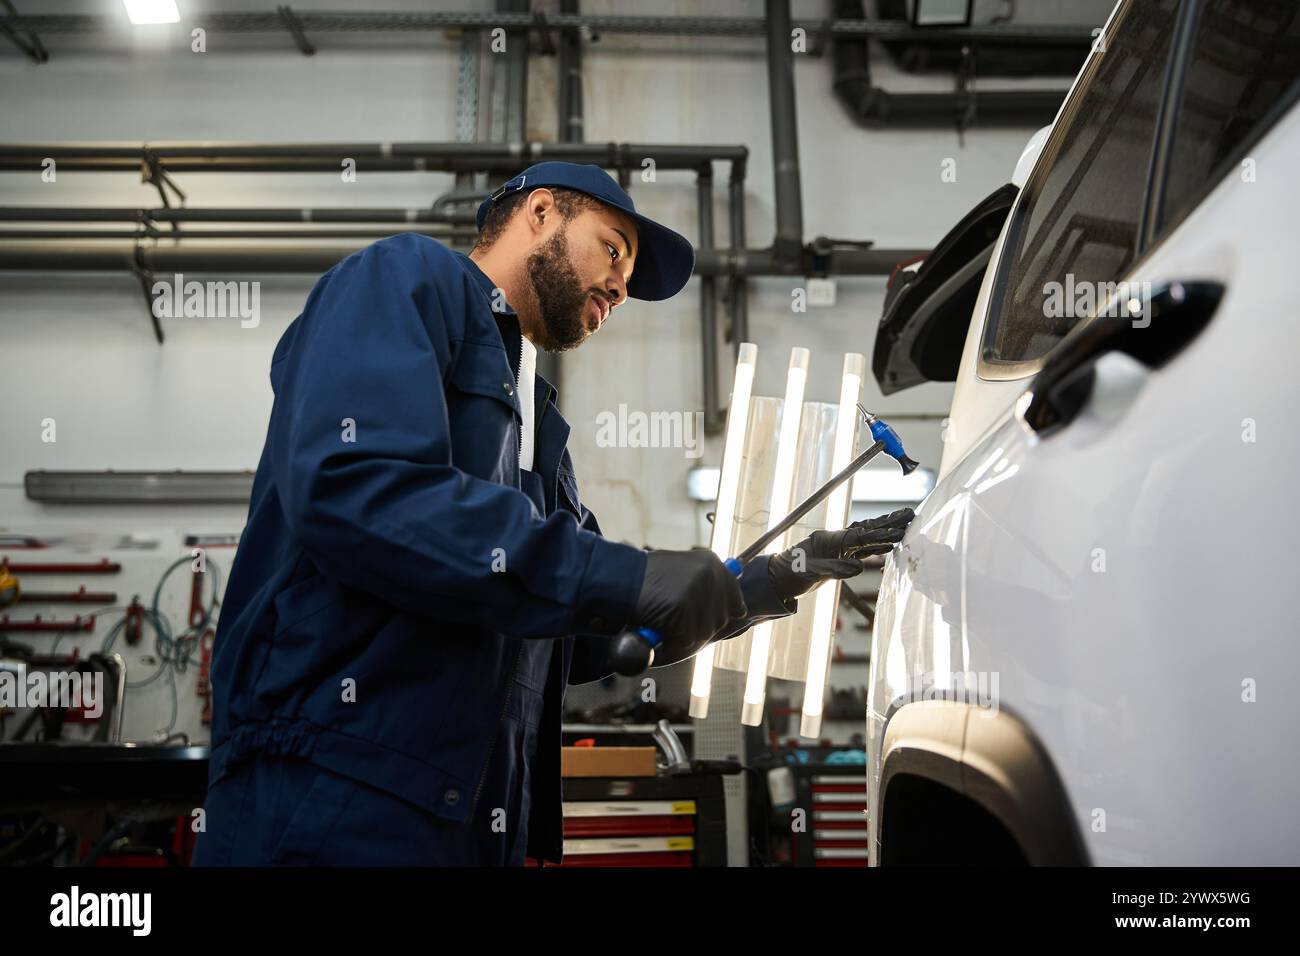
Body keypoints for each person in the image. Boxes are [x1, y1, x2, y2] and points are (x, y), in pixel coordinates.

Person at [191, 162, 914, 866]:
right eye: (614, 249)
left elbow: (581, 633)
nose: (621, 287)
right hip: (330, 787)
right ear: (540, 213)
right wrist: (628, 576)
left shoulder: (538, 423)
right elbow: (357, 489)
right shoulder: (404, 280)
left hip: (469, 812)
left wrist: (766, 582)